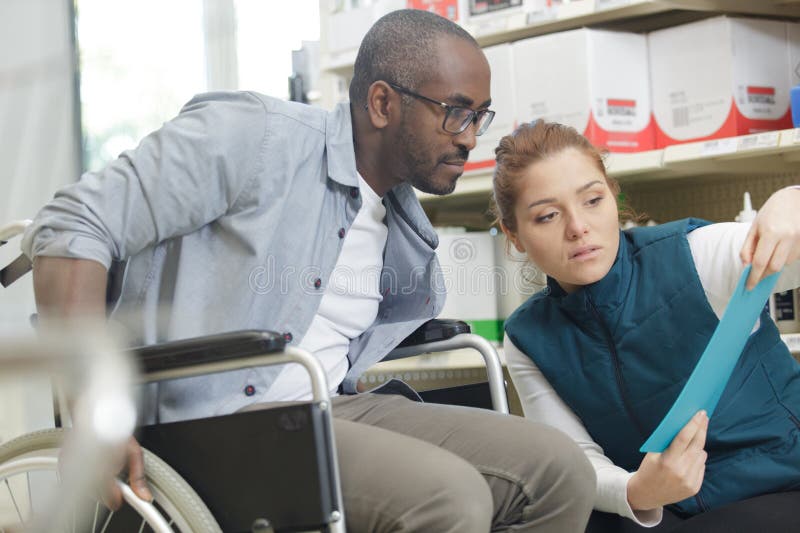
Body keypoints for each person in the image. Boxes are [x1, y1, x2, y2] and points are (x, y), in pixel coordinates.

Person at [21, 10, 596, 533]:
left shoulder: (402, 218)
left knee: (560, 472)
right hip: (213, 420)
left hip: (328, 407)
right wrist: (90, 411)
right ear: (381, 103)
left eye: (479, 116)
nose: (470, 137)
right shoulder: (256, 137)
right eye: (455, 112)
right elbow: (73, 222)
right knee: (448, 499)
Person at [492, 119, 800, 532]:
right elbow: (577, 459)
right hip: (661, 508)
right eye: (547, 216)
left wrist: (790, 203)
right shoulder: (528, 337)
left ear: (612, 196)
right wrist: (637, 492)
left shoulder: (695, 255)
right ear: (513, 235)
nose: (578, 227)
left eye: (592, 200)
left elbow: (787, 254)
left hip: (778, 483)